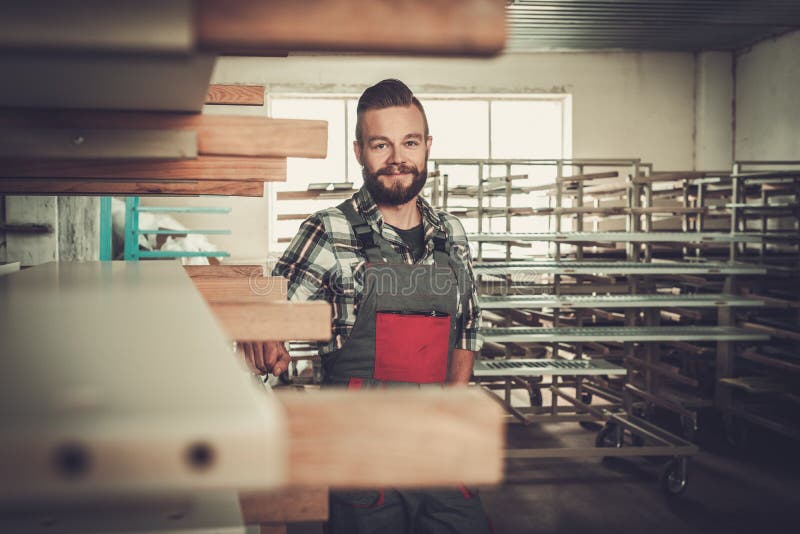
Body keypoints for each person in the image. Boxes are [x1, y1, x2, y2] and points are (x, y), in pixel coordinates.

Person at [240, 79, 490, 534]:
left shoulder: (451, 232)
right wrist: (258, 323)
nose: (398, 157)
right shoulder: (328, 229)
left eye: (409, 142)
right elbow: (266, 301)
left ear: (427, 146)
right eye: (381, 144)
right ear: (359, 151)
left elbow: (469, 327)